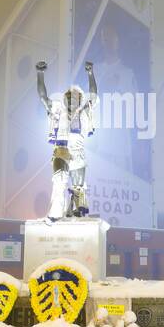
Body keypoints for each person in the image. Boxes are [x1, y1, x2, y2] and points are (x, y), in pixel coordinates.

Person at [36, 60, 98, 219]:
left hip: (78, 153)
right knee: (59, 182)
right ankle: (56, 213)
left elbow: (93, 94)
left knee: (79, 189)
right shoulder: (58, 109)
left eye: (75, 97)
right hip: (61, 150)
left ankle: (74, 212)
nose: (71, 99)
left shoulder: (84, 112)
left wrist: (90, 74)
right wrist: (40, 73)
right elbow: (43, 97)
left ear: (80, 99)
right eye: (68, 96)